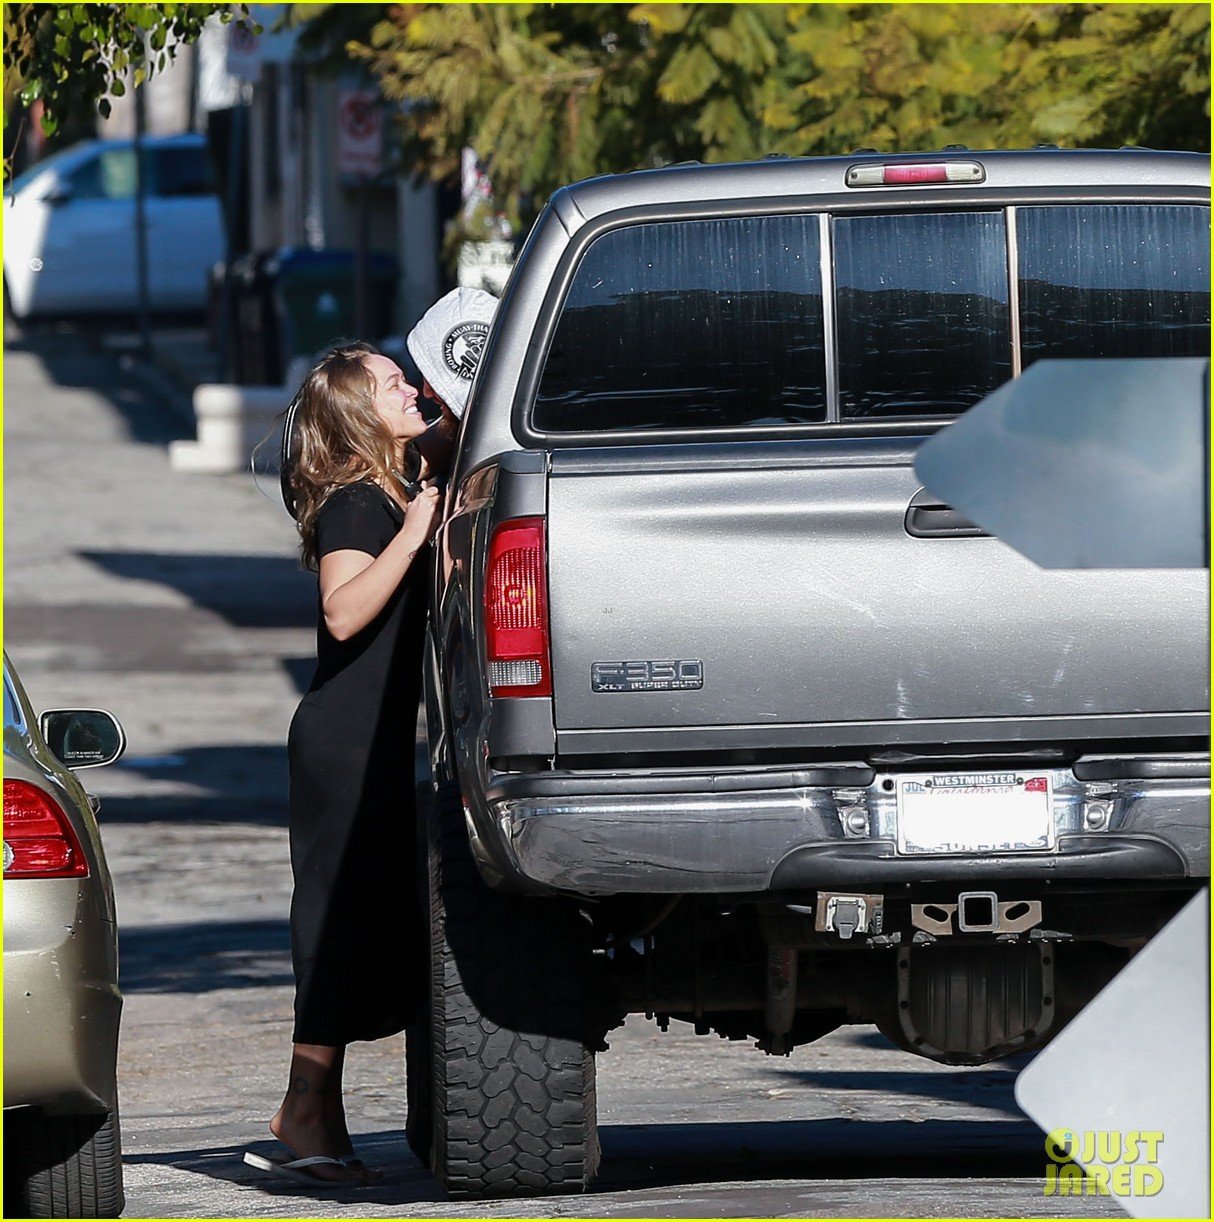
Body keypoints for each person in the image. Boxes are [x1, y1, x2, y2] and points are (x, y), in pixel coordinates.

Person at [247, 341, 445, 1187]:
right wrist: (413, 536)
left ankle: (317, 1115)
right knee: (334, 930)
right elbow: (342, 612)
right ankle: (301, 1108)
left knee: (371, 925)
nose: (409, 386)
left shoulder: (393, 485)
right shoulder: (359, 503)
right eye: (393, 383)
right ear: (360, 414)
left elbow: (458, 427)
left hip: (376, 744)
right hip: (344, 747)